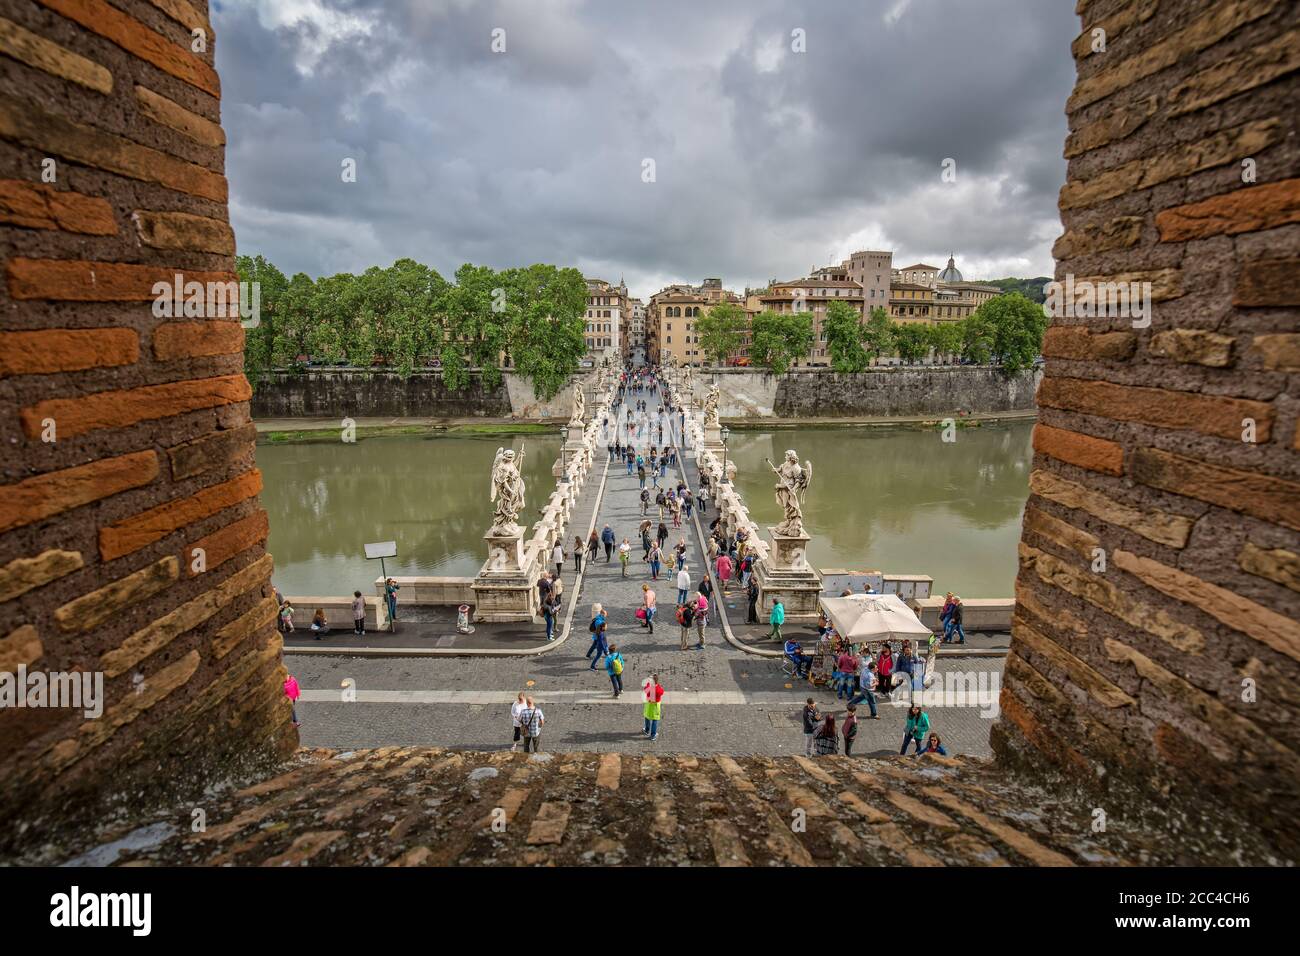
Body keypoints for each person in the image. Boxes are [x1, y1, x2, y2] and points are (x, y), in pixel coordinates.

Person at [642, 675, 664, 741]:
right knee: (655, 719)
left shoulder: (649, 687)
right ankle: (653, 735)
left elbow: (645, 690)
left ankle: (646, 730)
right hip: (655, 706)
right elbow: (662, 692)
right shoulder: (658, 689)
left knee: (647, 716)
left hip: (649, 704)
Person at [586, 603, 607, 667]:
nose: (606, 616)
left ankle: (588, 655)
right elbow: (599, 630)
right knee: (597, 646)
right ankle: (605, 653)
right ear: (602, 614)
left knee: (594, 645)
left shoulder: (599, 618)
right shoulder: (599, 621)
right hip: (597, 636)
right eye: (605, 615)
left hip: (597, 635)